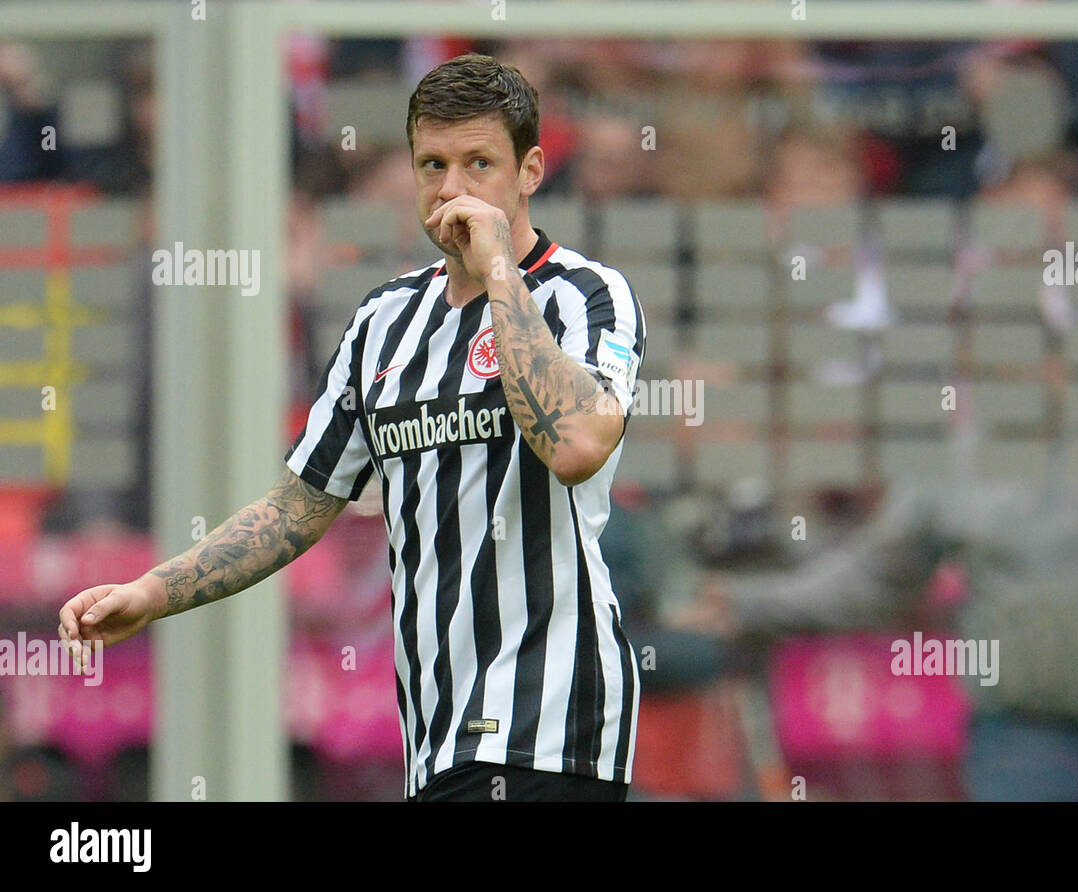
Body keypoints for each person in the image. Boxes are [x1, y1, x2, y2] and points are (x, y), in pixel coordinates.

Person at [57, 53, 647, 803]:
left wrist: (502, 272)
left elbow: (575, 448)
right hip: (436, 734)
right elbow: (297, 507)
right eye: (432, 164)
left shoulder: (587, 296)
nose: (453, 189)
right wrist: (154, 591)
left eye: (480, 163)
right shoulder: (383, 322)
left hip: (552, 724)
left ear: (530, 171)